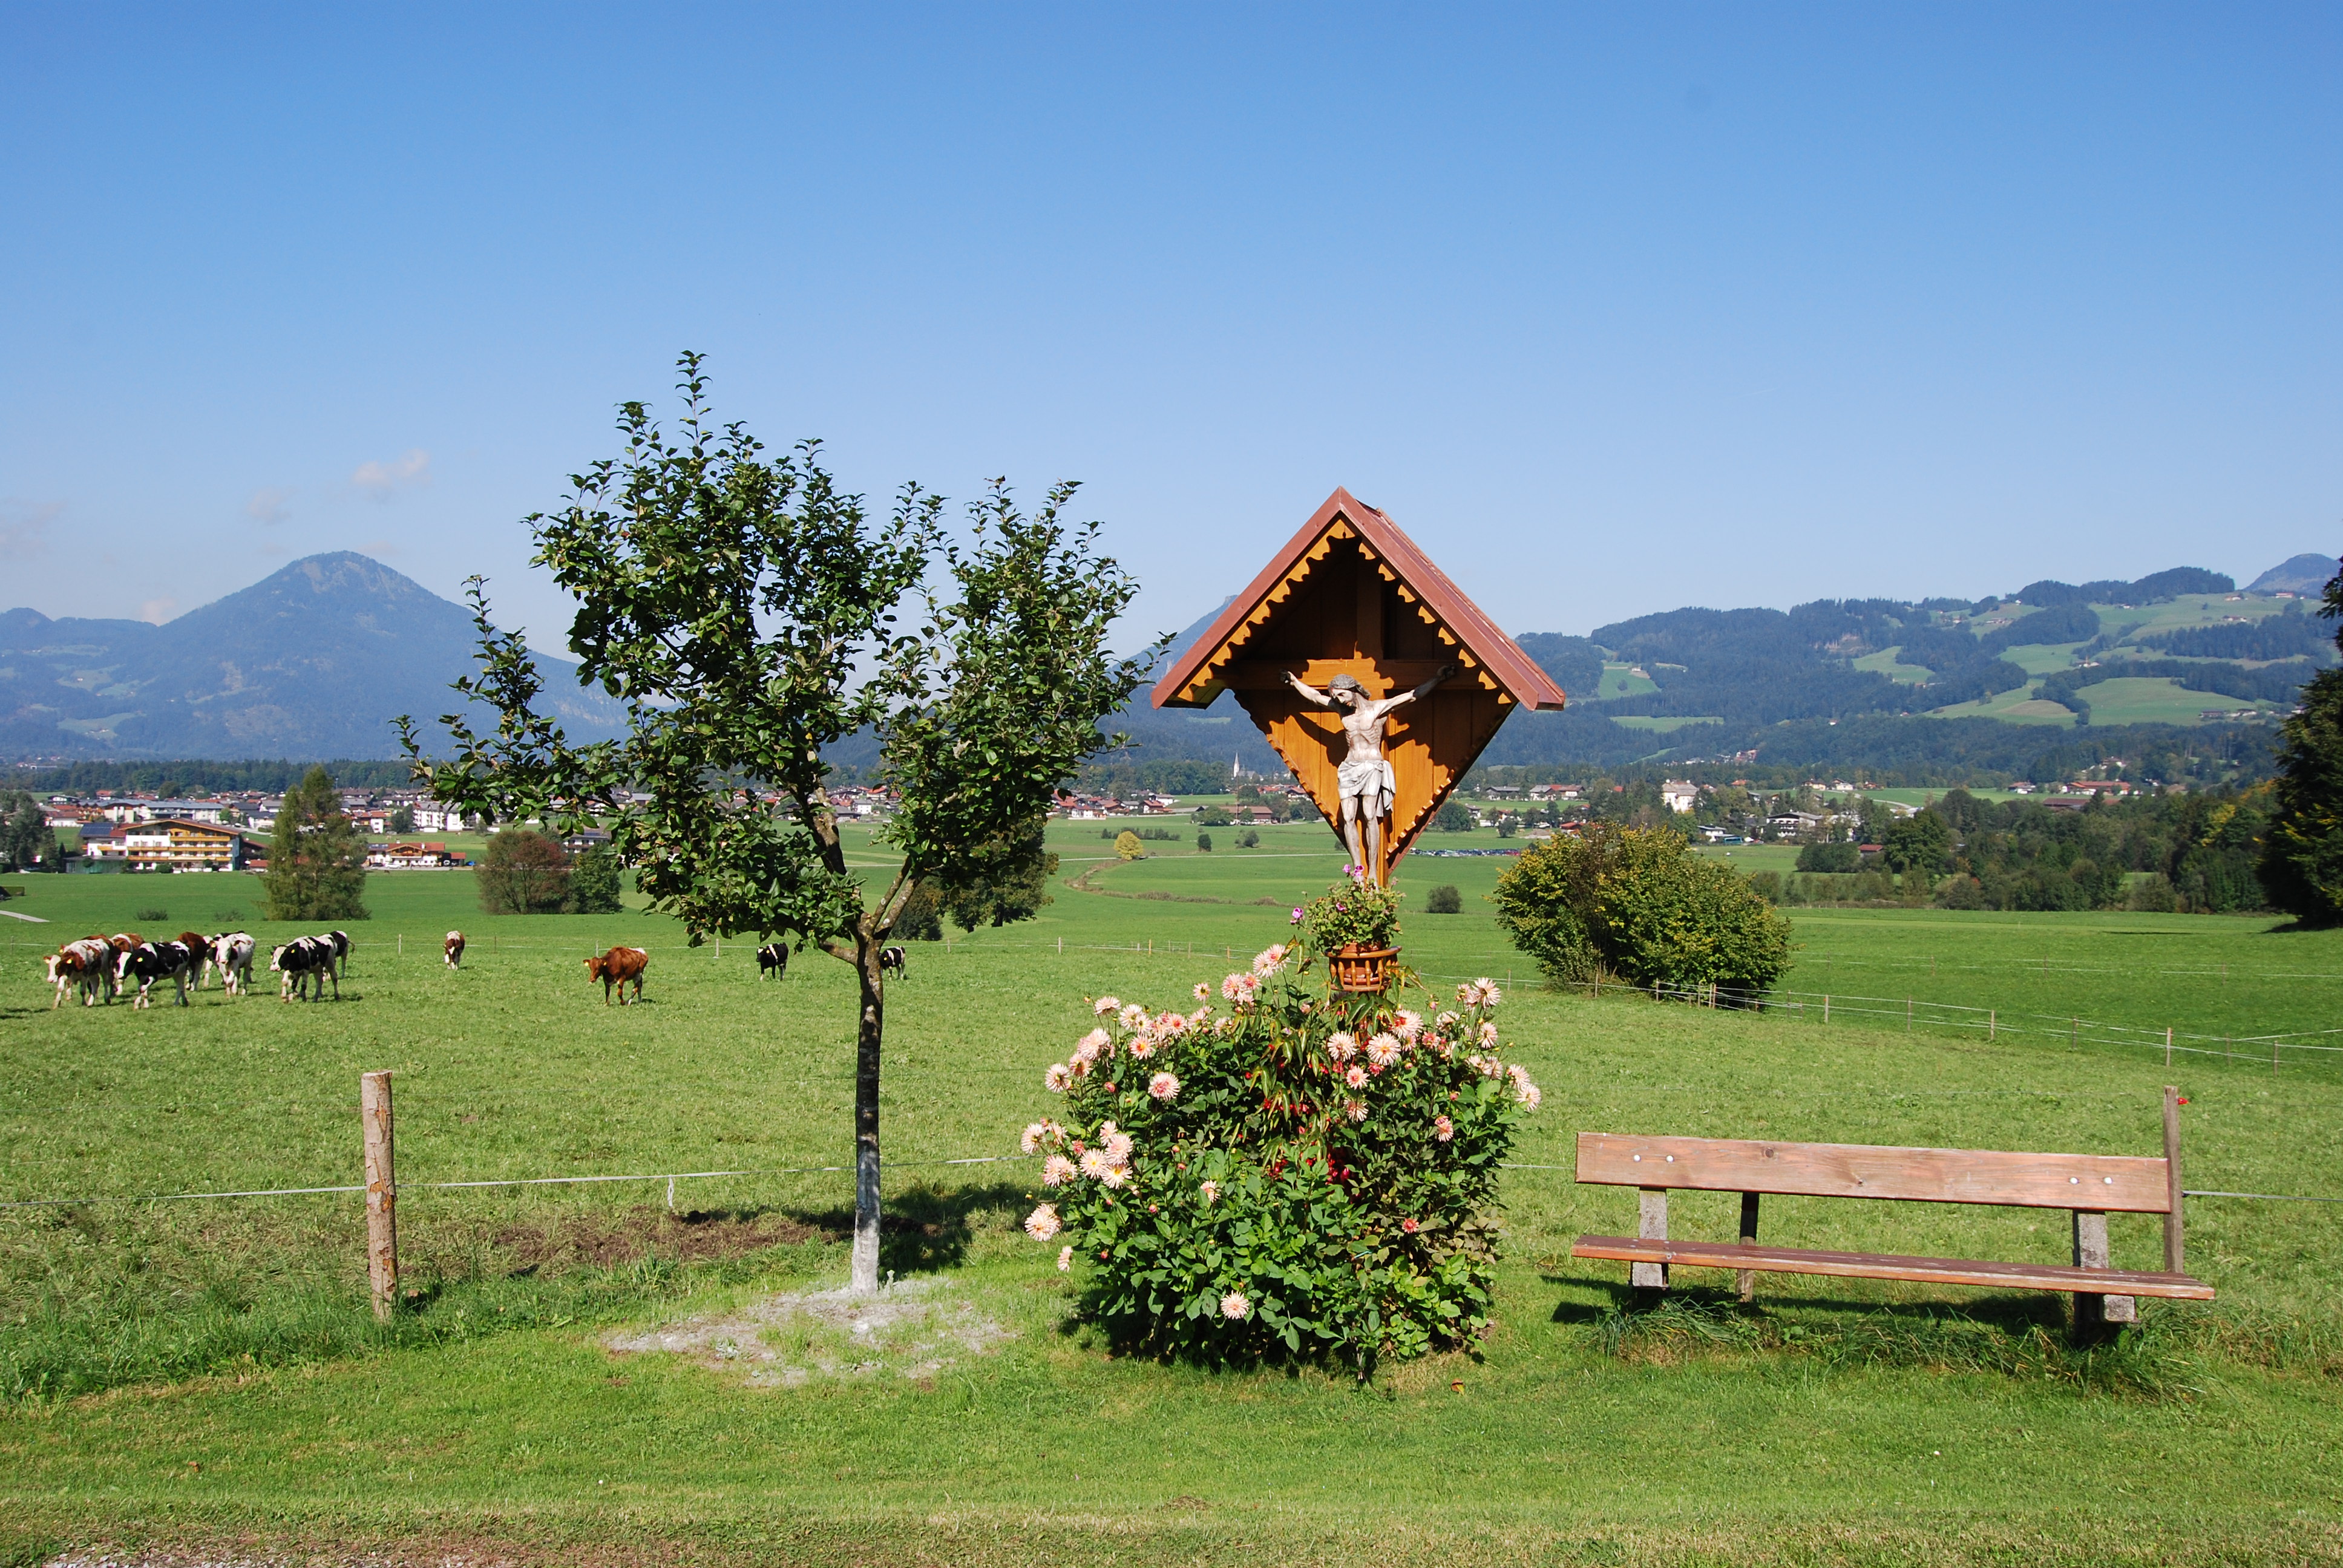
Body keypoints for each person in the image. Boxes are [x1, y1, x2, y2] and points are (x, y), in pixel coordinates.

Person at [1283, 663, 1458, 884]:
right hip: (1349, 767)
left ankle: (1373, 872)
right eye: (1335, 696)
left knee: (1369, 817)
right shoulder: (1341, 711)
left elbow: (1412, 697)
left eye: (1342, 695)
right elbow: (1315, 697)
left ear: (1354, 690)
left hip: (1372, 766)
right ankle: (1358, 871)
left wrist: (1438, 679)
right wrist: (1295, 682)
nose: (1339, 700)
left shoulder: (1378, 709)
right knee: (1347, 818)